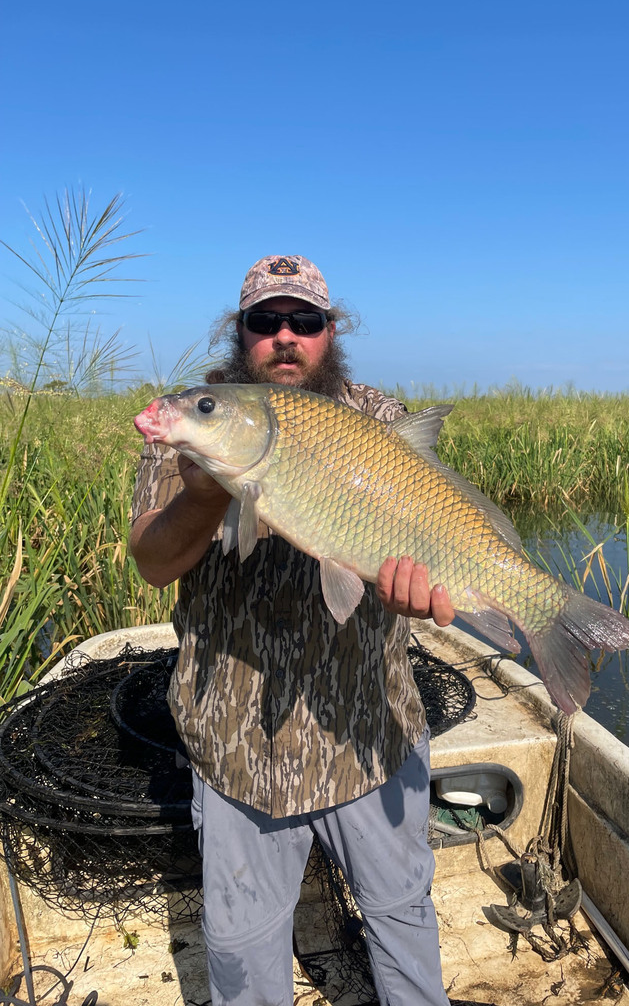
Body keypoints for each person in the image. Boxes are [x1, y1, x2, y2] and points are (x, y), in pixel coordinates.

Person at [129, 254, 455, 1006]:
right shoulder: (194, 419)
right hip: (238, 749)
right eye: (265, 321)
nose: (285, 336)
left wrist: (423, 584)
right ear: (239, 334)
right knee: (242, 962)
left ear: (329, 332)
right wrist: (205, 494)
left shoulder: (378, 419)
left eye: (303, 321)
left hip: (369, 732)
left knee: (403, 921)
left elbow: (432, 535)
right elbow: (153, 561)